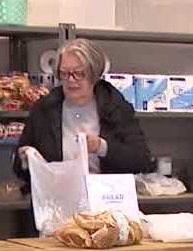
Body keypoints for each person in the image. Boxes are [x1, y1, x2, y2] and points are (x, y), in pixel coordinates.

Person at [18, 38, 153, 175]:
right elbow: (19, 167)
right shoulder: (44, 109)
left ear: (94, 74)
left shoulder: (115, 107)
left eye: (79, 73)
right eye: (64, 73)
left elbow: (142, 161)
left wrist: (101, 147)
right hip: (58, 193)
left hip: (106, 193)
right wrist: (25, 160)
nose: (71, 80)